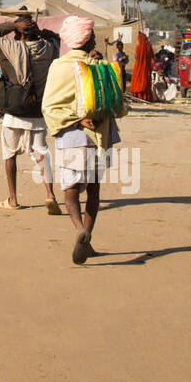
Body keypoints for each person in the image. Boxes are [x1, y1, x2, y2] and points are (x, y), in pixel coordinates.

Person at [42, 15, 127, 265]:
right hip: (99, 134)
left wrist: (77, 120)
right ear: (89, 38)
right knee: (93, 189)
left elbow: (50, 106)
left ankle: (79, 228)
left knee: (70, 190)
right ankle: (87, 240)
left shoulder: (59, 66)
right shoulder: (98, 64)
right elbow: (115, 98)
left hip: (71, 135)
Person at [0, 14, 61, 214]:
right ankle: (50, 194)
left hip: (14, 111)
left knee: (9, 155)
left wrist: (12, 25)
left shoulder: (10, 49)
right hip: (38, 111)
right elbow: (56, 37)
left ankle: (13, 198)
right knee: (42, 152)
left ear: (17, 33)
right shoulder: (48, 49)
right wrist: (38, 30)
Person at [130, 30, 154, 102]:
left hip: (138, 67)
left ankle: (137, 97)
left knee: (137, 80)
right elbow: (152, 57)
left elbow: (136, 57)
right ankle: (145, 97)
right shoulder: (149, 46)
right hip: (146, 67)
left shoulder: (138, 47)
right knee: (146, 81)